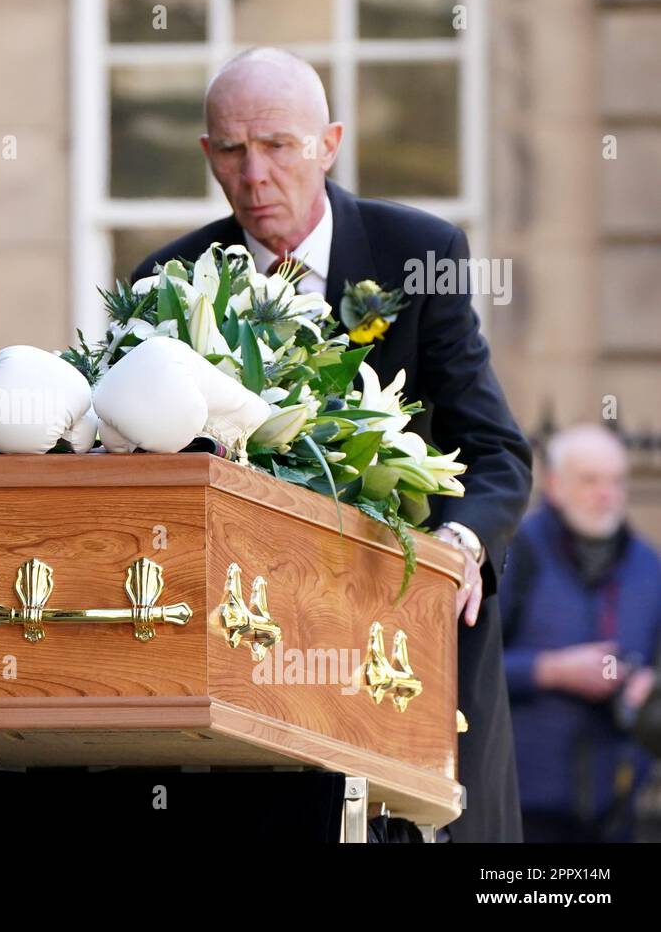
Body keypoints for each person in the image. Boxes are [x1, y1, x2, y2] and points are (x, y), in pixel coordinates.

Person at [130, 47, 533, 841]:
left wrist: (460, 542)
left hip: (406, 641)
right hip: (248, 672)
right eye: (233, 150)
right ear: (208, 155)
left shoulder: (421, 256)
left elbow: (497, 452)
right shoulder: (167, 278)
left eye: (279, 145)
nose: (255, 175)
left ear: (330, 142)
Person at [501, 424, 660, 842]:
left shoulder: (648, 566)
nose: (607, 494)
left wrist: (646, 686)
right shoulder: (515, 552)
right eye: (590, 480)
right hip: (519, 806)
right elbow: (464, 666)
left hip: (615, 809)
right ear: (554, 485)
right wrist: (551, 671)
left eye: (616, 481)